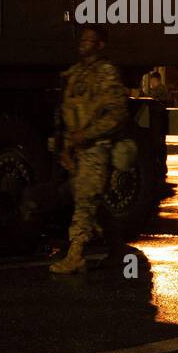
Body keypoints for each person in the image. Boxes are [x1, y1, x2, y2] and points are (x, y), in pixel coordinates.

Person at [51, 25, 130, 275]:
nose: (83, 43)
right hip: (77, 149)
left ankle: (75, 257)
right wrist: (66, 144)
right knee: (90, 199)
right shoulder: (77, 73)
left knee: (85, 200)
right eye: (82, 39)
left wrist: (86, 135)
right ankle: (117, 250)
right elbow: (69, 111)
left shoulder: (106, 73)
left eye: (90, 40)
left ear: (101, 45)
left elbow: (117, 114)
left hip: (96, 148)